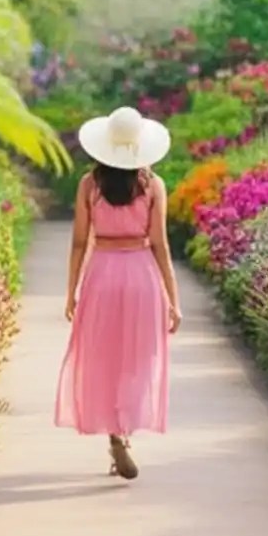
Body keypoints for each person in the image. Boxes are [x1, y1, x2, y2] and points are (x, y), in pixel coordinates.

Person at [54, 106, 183, 481]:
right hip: (141, 274)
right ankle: (124, 431)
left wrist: (71, 292)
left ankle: (115, 436)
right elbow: (160, 245)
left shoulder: (89, 186)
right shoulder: (153, 186)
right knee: (137, 359)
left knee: (104, 356)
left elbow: (79, 242)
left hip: (102, 275)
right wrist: (173, 300)